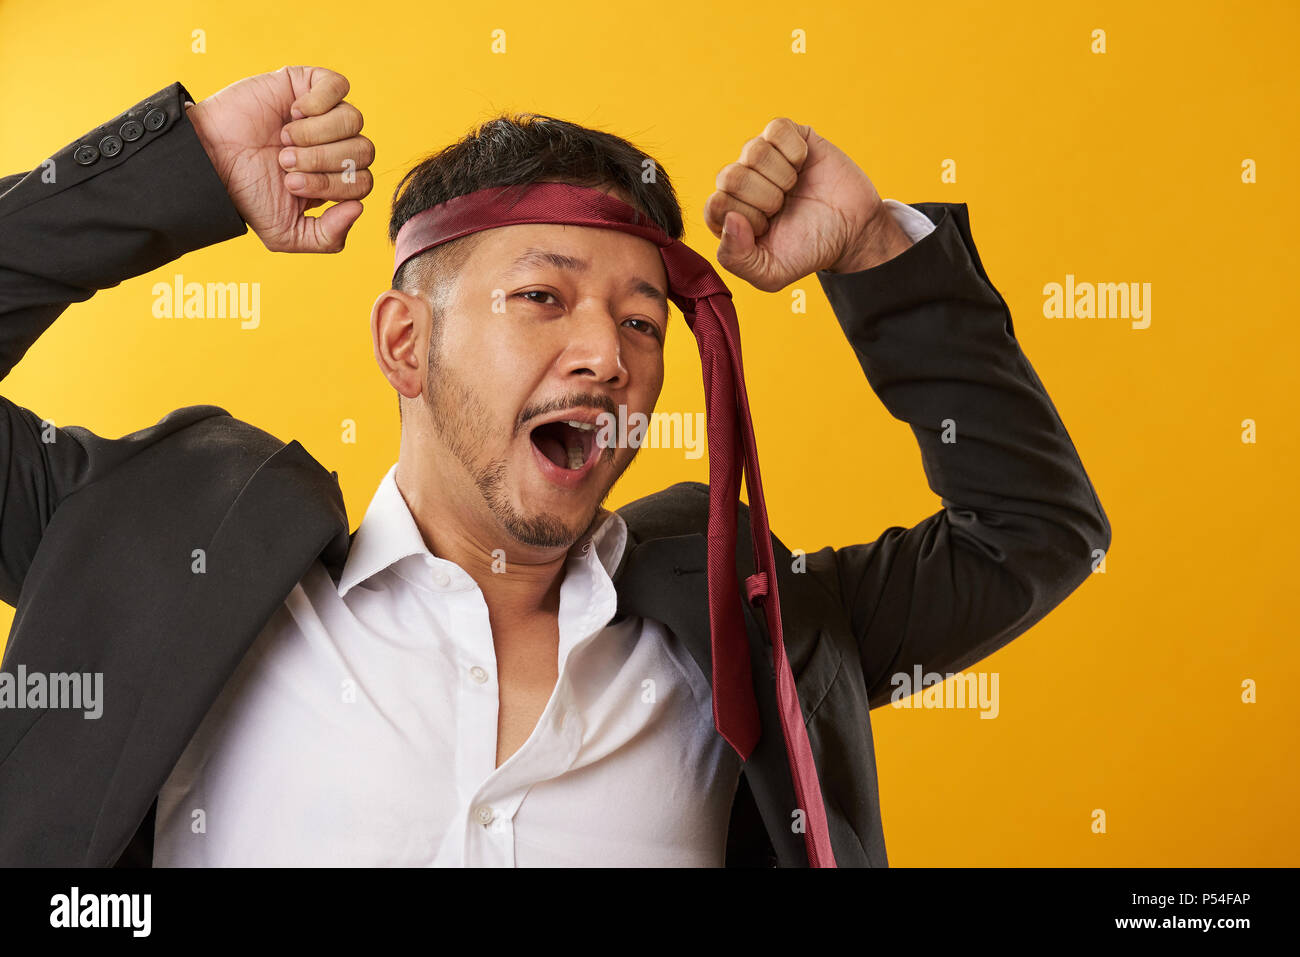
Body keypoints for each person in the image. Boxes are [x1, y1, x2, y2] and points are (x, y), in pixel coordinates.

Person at [0, 66, 1110, 867]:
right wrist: (171, 179)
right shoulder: (157, 557)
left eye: (644, 321)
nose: (607, 356)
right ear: (404, 342)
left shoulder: (749, 627)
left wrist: (877, 256)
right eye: (542, 297)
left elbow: (1034, 532)